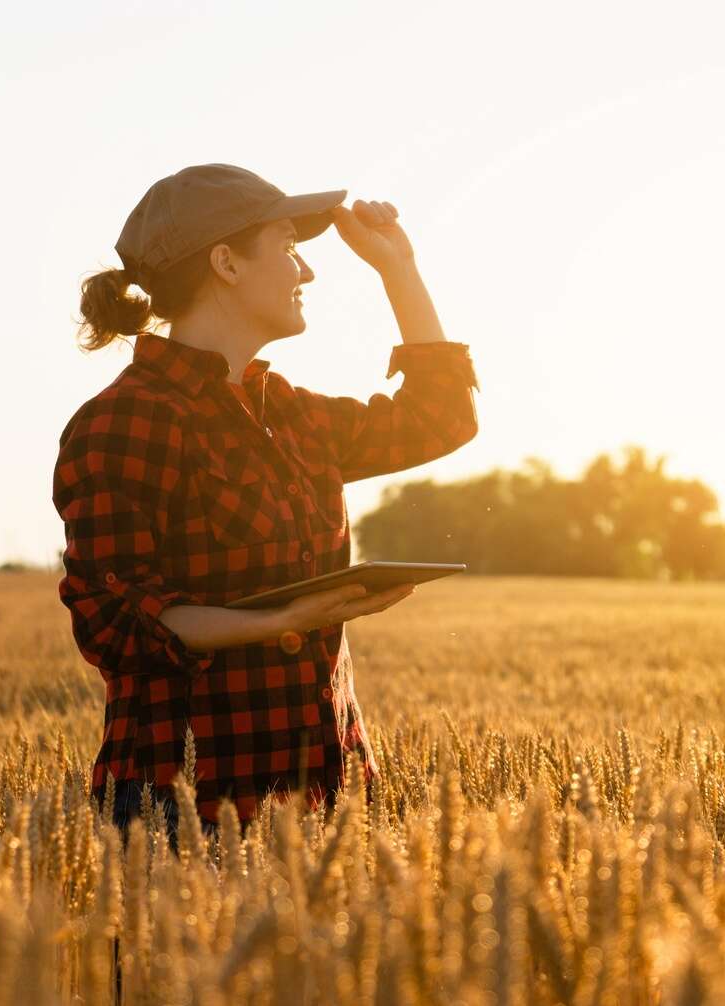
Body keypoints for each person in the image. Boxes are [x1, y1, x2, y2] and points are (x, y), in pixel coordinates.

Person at [52, 163, 481, 851]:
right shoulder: (122, 423)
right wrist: (284, 619)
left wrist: (398, 270)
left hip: (327, 796)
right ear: (225, 262)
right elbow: (117, 622)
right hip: (185, 811)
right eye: (287, 246)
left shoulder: (290, 414)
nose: (305, 271)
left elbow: (441, 418)